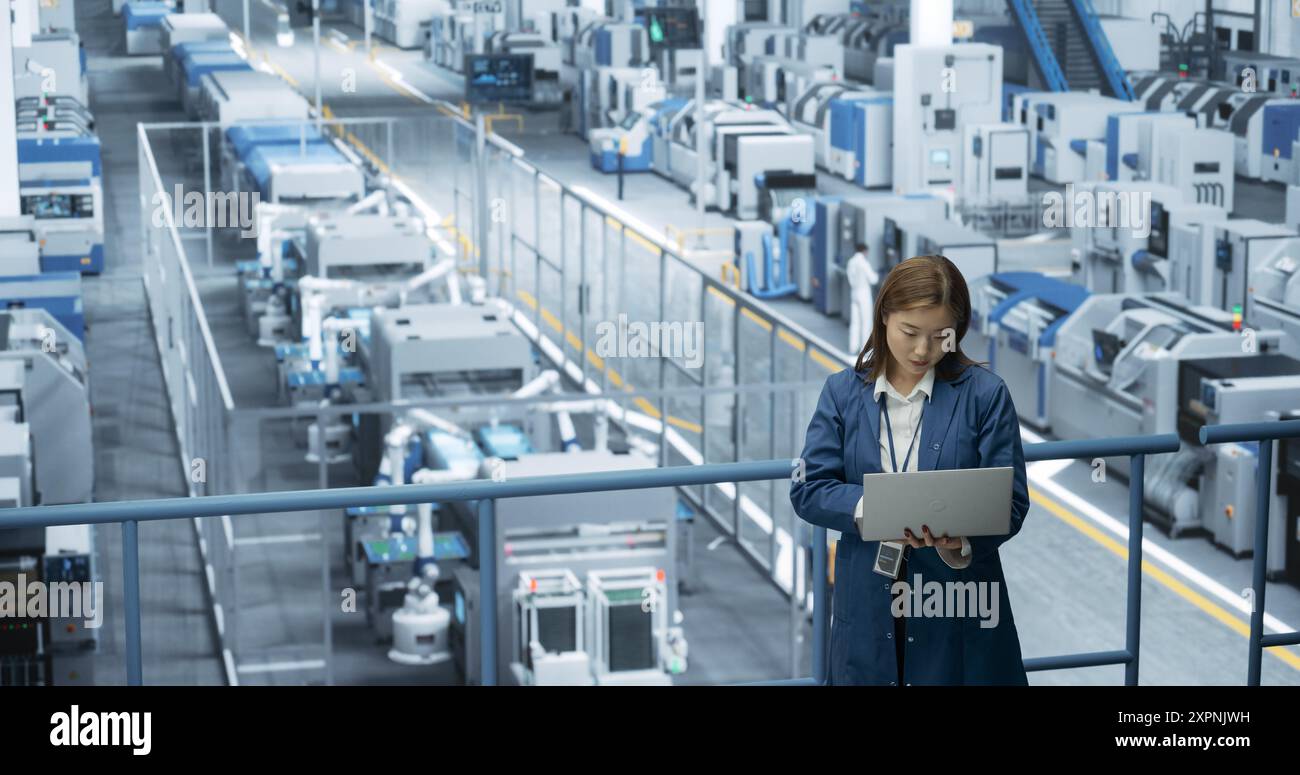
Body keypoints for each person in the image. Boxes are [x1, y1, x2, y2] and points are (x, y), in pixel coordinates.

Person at [790, 254, 1030, 686]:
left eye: (941, 336)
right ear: (884, 316)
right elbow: (808, 489)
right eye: (910, 333)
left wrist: (960, 541)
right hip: (868, 597)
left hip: (955, 599)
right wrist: (874, 508)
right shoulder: (842, 393)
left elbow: (1010, 503)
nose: (924, 350)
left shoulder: (985, 396)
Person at [844, 242, 878, 355]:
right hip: (864, 294)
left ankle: (852, 347)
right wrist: (878, 275)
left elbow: (850, 279)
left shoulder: (851, 262)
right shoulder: (863, 263)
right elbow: (873, 279)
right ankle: (864, 350)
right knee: (866, 322)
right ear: (865, 251)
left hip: (854, 293)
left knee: (855, 322)